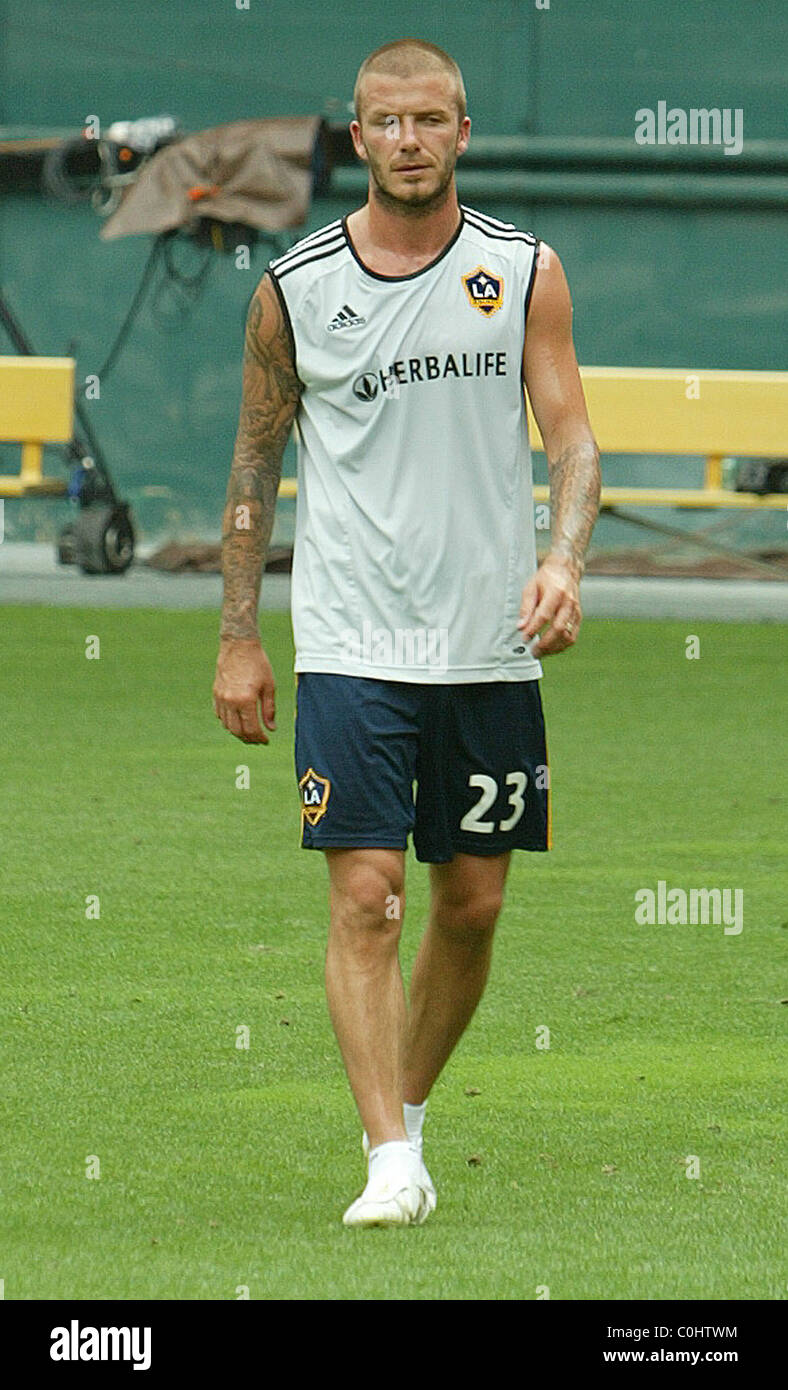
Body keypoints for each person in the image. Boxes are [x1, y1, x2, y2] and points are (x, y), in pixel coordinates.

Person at [213, 38, 600, 1228]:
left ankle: (408, 1113)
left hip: (486, 645)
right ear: (357, 135)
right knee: (366, 897)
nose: (410, 140)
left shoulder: (520, 270)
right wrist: (238, 633)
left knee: (470, 904)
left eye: (431, 120)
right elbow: (253, 464)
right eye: (387, 122)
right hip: (348, 643)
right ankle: (386, 1158)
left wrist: (563, 558)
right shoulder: (293, 289)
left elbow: (574, 443)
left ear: (462, 133)